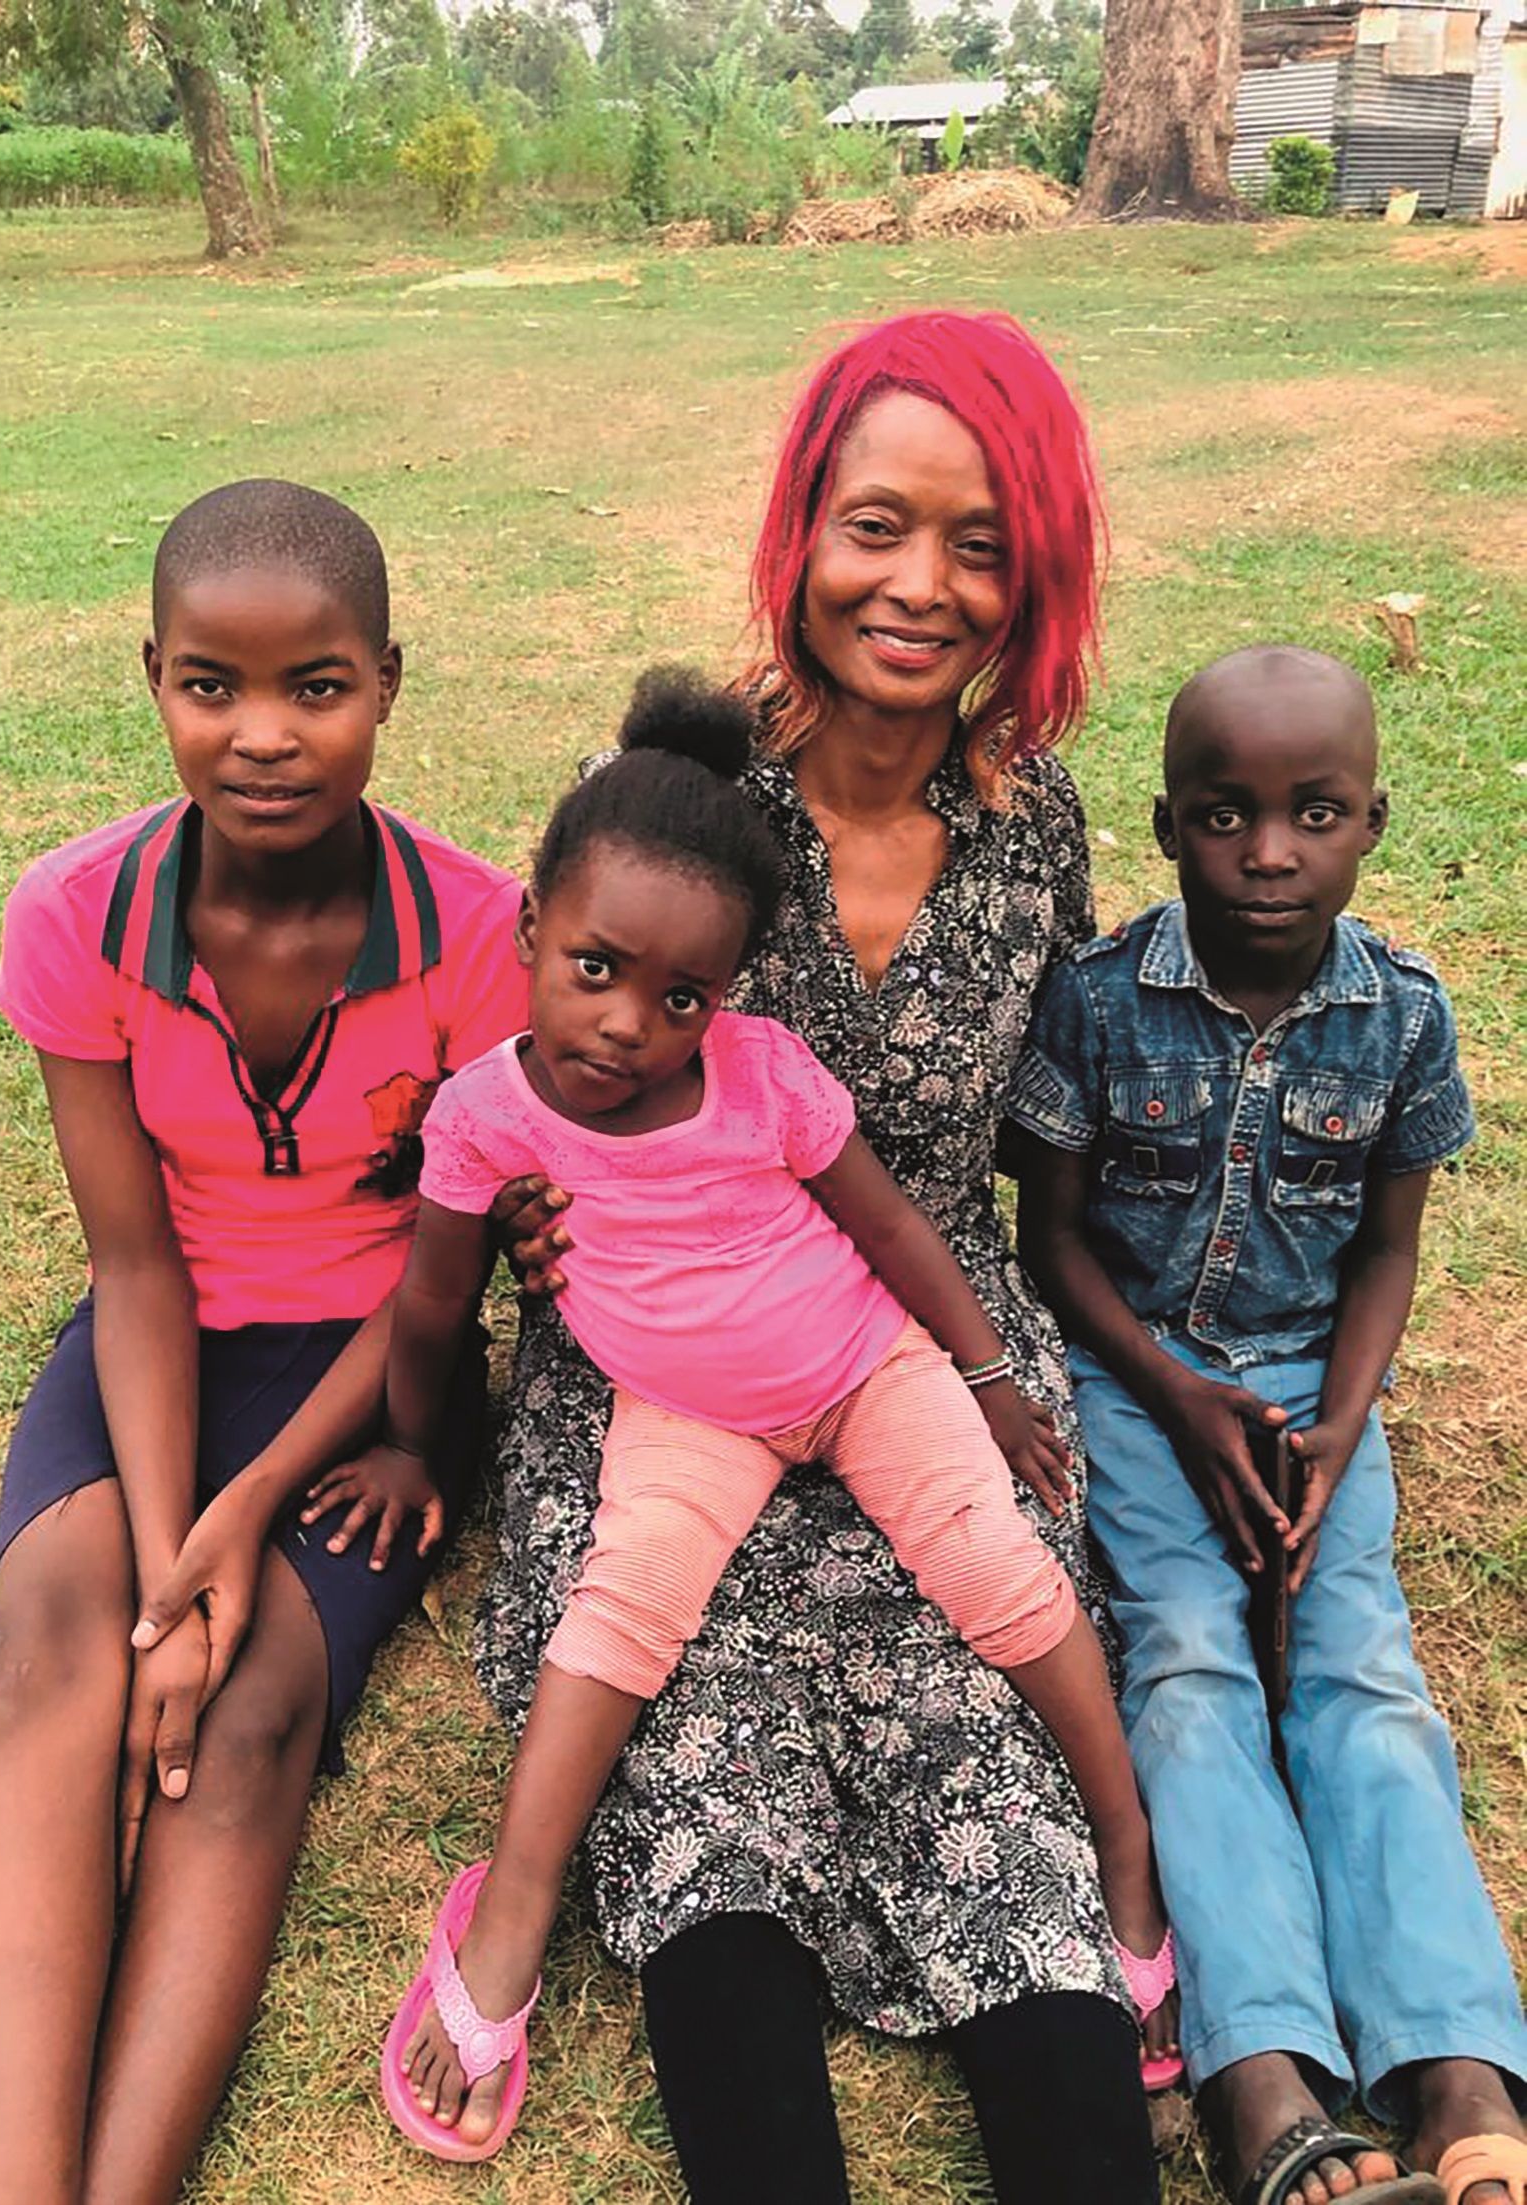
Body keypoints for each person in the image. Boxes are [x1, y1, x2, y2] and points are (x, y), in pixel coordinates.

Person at [470, 311, 1165, 2201]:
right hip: (671, 1365)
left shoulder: (1034, 833)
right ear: (800, 532)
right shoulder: (691, 809)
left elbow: (1044, 1147)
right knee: (693, 1738)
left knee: (993, 1719)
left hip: (907, 1356)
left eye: (977, 543)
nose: (918, 586)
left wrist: (1055, 1370)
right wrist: (532, 1215)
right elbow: (543, 1063)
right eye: (877, 525)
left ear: (1033, 580)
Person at [301, 668, 1172, 2159]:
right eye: (593, 969)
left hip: (860, 1368)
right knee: (618, 1607)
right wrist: (397, 1433)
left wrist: (982, 1375)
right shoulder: (482, 1116)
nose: (628, 1023)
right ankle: (510, 1905)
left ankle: (1124, 1850)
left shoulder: (762, 1076)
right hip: (682, 1410)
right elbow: (436, 1302)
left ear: (732, 987)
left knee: (997, 1561)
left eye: (680, 994)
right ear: (527, 932)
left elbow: (893, 1230)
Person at [0, 479, 527, 2205]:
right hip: (156, 1337)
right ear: (154, 679)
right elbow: (134, 1265)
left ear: (389, 682)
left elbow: (439, 1285)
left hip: (374, 1363)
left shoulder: (480, 939)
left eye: (314, 686)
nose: (261, 735)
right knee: (64, 1651)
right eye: (212, 684)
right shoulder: (76, 915)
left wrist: (226, 1536)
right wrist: (156, 1564)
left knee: (243, 1706)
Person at [1008, 645, 1527, 2205]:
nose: (1269, 851)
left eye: (1313, 812)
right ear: (1164, 825)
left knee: (1355, 1665)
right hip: (1136, 1376)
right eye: (1225, 815)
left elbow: (1383, 1250)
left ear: (1372, 817)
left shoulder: (1401, 1016)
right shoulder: (1096, 1003)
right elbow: (1053, 1241)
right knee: (1184, 1662)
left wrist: (1331, 1433)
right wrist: (1173, 1394)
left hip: (1314, 1386)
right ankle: (1261, 2072)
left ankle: (1452, 2065)